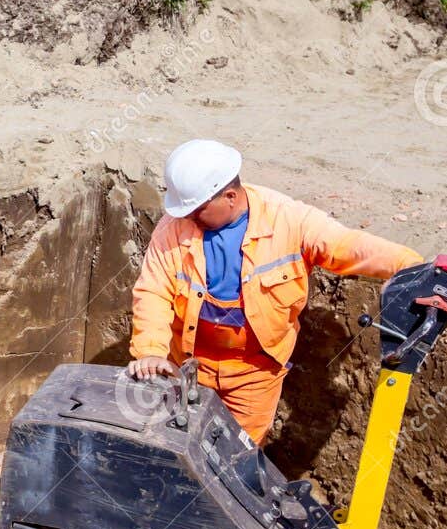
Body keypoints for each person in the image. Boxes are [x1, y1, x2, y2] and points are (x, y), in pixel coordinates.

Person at [127, 139, 422, 445]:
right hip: (186, 367)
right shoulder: (174, 227)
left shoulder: (288, 219)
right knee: (176, 447)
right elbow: (153, 292)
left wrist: (411, 267)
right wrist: (150, 350)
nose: (187, 218)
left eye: (196, 210)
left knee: (235, 457)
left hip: (253, 375)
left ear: (229, 196)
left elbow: (346, 246)